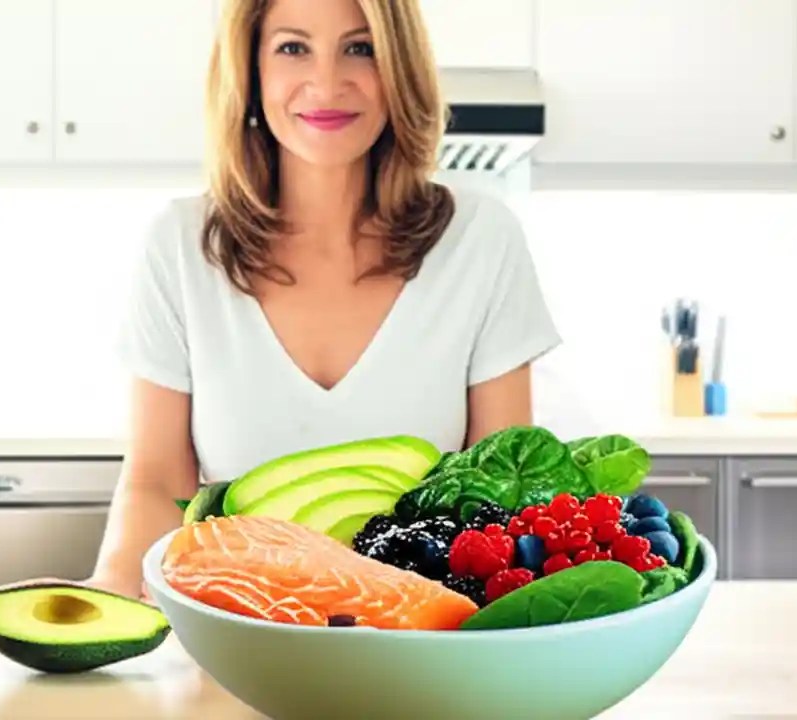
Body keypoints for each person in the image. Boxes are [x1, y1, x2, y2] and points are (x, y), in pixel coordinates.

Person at [86, 0, 561, 600]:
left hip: (423, 638)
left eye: (360, 48)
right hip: (240, 631)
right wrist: (110, 590)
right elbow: (156, 481)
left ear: (399, 67)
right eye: (293, 48)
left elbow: (501, 494)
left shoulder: (481, 239)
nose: (327, 82)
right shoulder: (181, 244)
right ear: (251, 71)